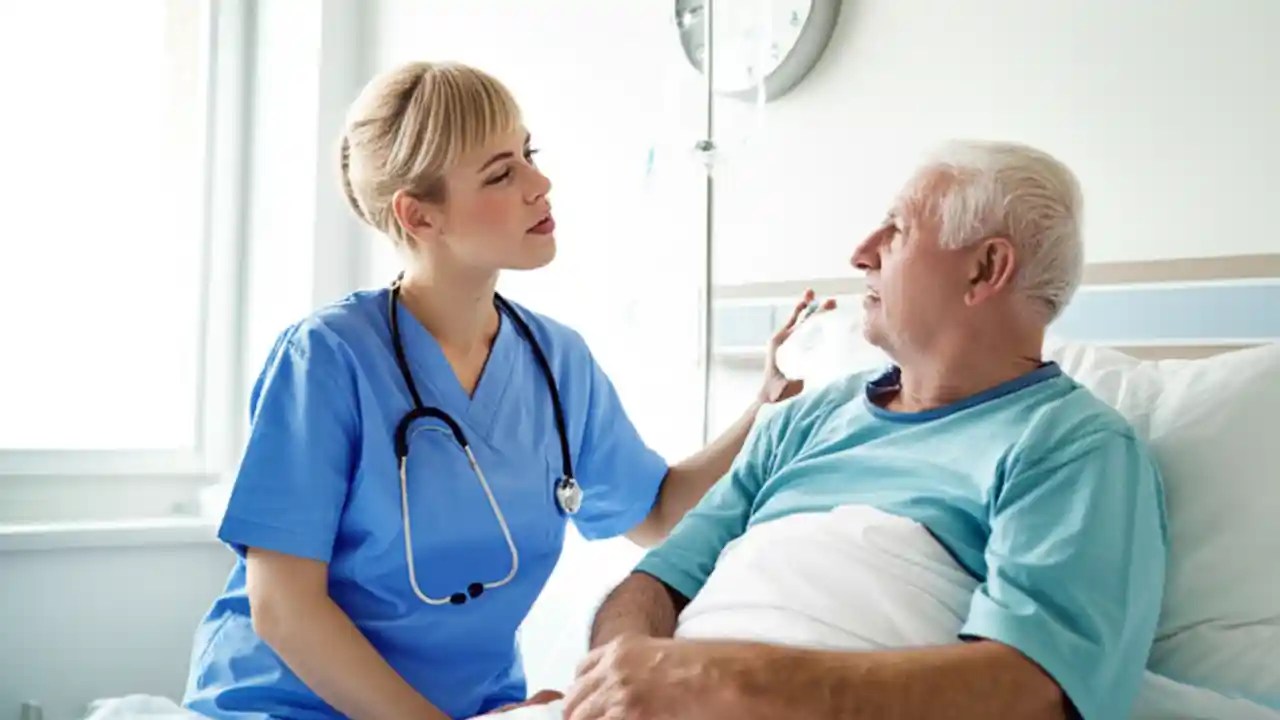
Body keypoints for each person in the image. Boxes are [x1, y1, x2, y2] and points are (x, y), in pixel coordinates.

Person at [181, 61, 827, 720]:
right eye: (501, 173)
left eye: (528, 154)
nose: (539, 184)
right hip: (283, 706)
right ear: (419, 215)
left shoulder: (556, 363)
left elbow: (656, 511)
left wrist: (767, 405)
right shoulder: (327, 359)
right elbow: (282, 607)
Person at [565, 140, 1169, 720]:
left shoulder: (1071, 447)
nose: (861, 252)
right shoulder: (806, 420)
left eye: (897, 230)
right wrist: (614, 683)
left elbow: (1033, 692)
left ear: (986, 268)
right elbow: (656, 583)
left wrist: (716, 681)